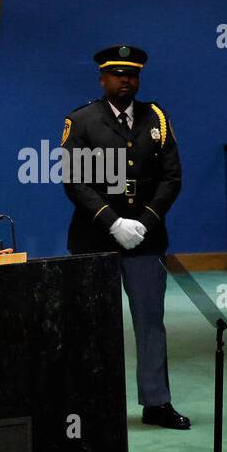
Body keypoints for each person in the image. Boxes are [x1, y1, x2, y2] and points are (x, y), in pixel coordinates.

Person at [60, 45, 189, 430]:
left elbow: (171, 178)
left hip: (146, 241)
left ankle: (156, 402)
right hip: (94, 239)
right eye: (117, 74)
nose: (125, 81)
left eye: (131, 75)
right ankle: (92, 403)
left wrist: (145, 222)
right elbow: (76, 182)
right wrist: (114, 222)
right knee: (93, 325)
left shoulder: (157, 118)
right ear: (103, 79)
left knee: (151, 321)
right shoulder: (83, 120)